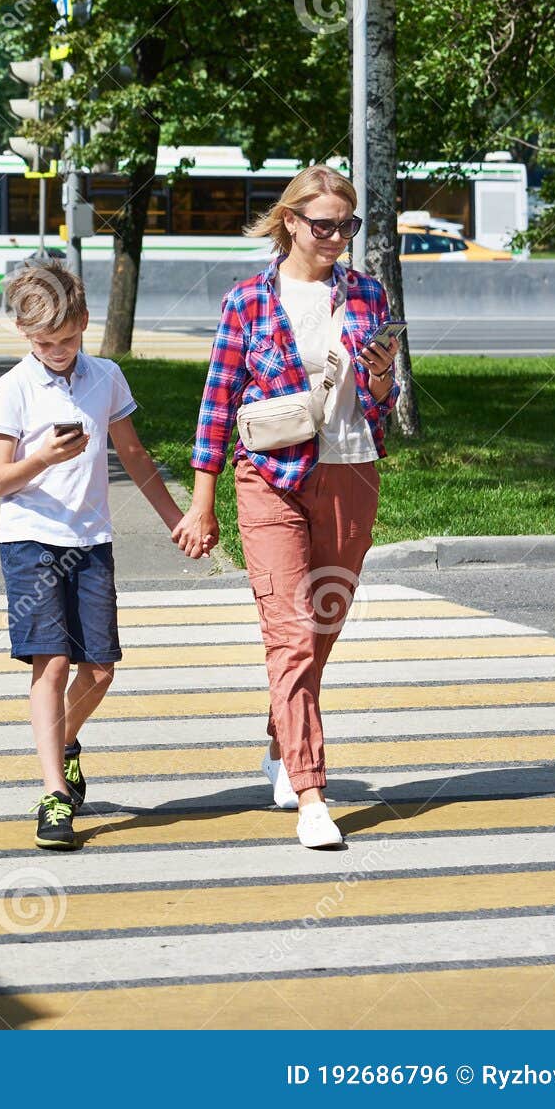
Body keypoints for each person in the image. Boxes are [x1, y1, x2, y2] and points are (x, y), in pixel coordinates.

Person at [171, 164, 400, 850]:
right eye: (324, 224)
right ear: (291, 221)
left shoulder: (366, 295)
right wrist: (201, 503)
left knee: (320, 628)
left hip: (351, 469)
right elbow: (217, 402)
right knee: (290, 632)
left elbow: (381, 401)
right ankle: (312, 794)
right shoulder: (249, 299)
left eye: (347, 225)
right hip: (269, 474)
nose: (336, 237)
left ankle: (282, 737)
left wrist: (383, 372)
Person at [0, 261, 201, 851]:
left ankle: (66, 739)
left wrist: (177, 520)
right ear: (27, 337)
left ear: (84, 321)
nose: (57, 352)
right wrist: (43, 460)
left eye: (67, 339)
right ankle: (55, 794)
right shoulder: (15, 386)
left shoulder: (106, 377)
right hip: (30, 538)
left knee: (100, 669)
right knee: (50, 666)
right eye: (44, 343)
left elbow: (133, 456)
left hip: (91, 541)